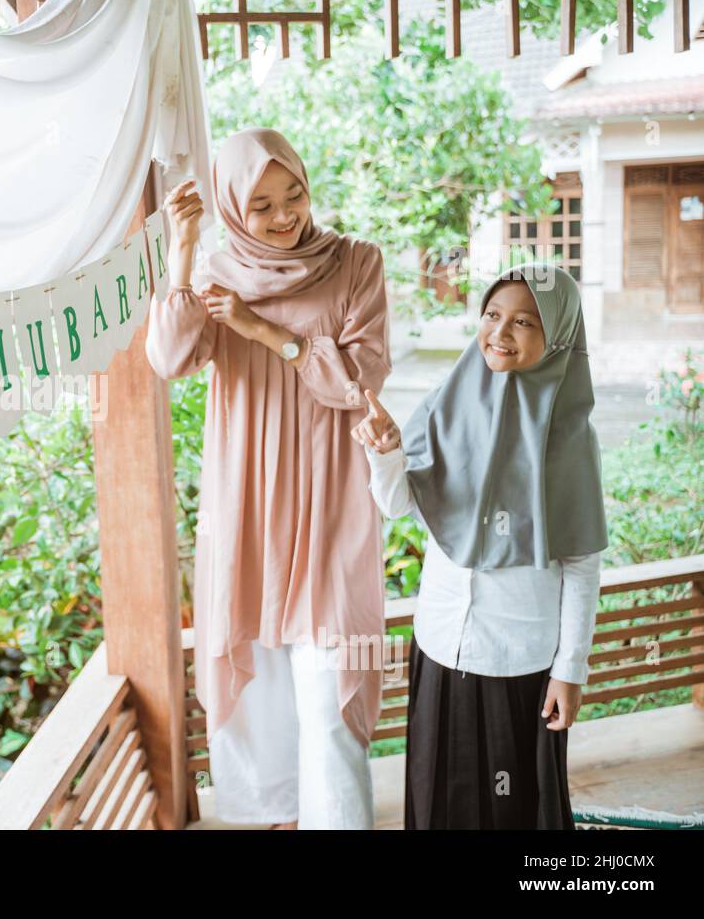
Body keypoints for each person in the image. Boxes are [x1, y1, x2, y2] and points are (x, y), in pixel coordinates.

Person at [145, 127, 391, 829]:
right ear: (232, 208)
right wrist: (182, 254)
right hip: (247, 498)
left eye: (295, 196)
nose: (286, 216)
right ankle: (276, 817)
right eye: (261, 206)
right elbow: (170, 358)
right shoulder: (217, 276)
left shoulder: (356, 263)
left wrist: (265, 334)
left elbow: (361, 379)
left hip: (333, 497)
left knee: (329, 686)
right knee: (259, 692)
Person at [351, 263, 607, 829]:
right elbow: (399, 505)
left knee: (513, 809)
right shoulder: (449, 404)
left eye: (523, 321)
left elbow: (583, 566)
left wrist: (571, 670)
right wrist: (386, 452)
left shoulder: (570, 436)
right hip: (441, 645)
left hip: (520, 661)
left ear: (559, 333)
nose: (500, 332)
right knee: (437, 796)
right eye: (492, 315)